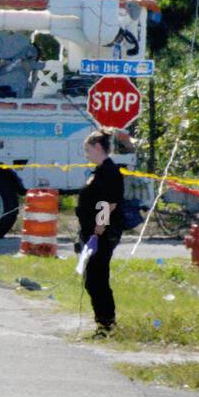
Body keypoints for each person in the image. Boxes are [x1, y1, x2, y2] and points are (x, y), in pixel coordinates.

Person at [76, 130, 124, 338]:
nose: (86, 154)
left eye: (88, 150)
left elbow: (110, 202)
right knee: (92, 278)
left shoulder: (110, 172)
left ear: (98, 147)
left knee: (97, 278)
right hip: (93, 232)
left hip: (103, 233)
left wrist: (100, 225)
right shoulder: (99, 170)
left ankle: (106, 324)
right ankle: (103, 321)